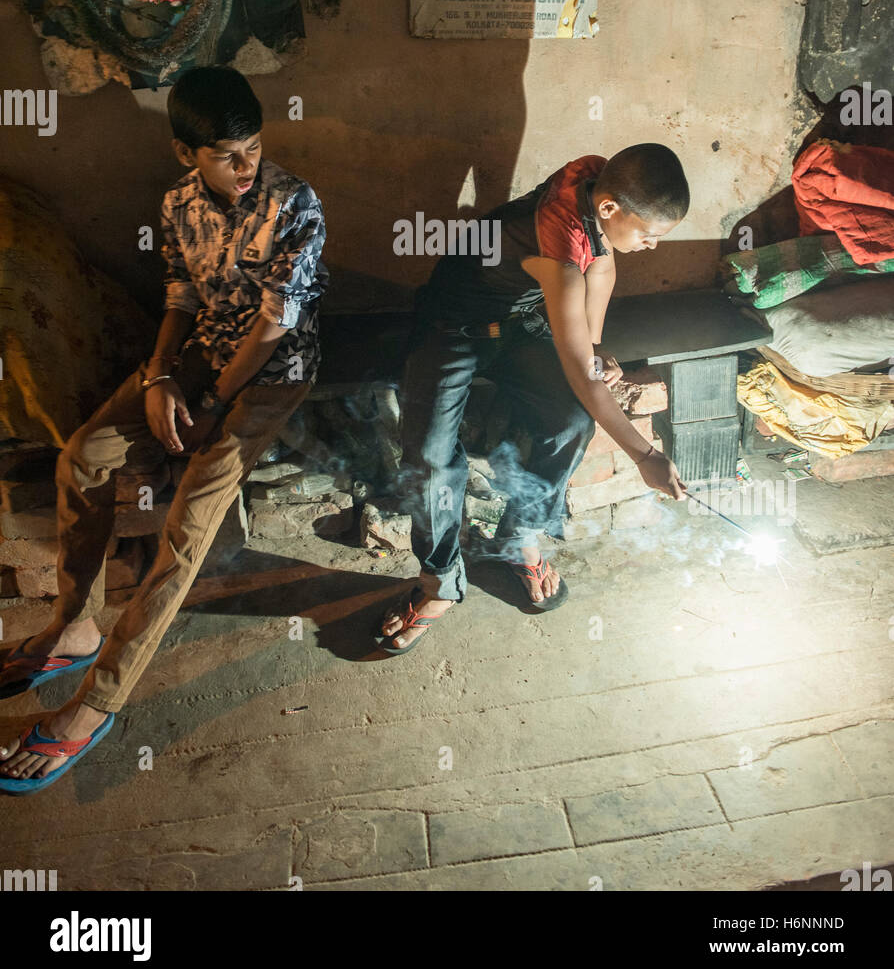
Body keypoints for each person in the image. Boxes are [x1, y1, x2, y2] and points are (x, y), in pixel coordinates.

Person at [0, 67, 327, 791]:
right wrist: (159, 376)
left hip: (272, 374)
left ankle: (95, 706)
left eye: (253, 148)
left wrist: (210, 401)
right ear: (187, 155)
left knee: (185, 531)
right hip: (200, 360)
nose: (247, 169)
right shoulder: (178, 202)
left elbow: (276, 323)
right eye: (226, 156)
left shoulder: (294, 203)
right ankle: (75, 626)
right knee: (81, 457)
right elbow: (180, 295)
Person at [378, 144, 689, 654]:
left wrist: (592, 348)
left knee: (570, 421)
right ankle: (439, 583)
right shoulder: (558, 249)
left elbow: (604, 268)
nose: (653, 246)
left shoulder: (593, 179)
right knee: (431, 455)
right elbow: (584, 375)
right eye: (649, 233)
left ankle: (518, 537)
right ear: (610, 210)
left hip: (522, 321)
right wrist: (645, 455)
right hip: (455, 324)